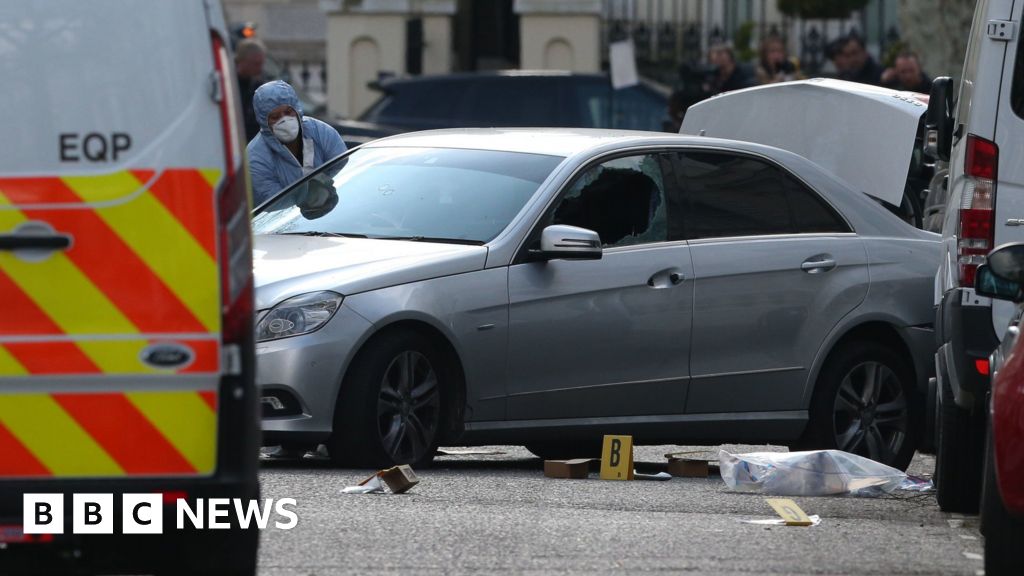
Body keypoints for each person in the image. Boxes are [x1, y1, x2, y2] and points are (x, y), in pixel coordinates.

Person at [247, 80, 347, 206]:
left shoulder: (320, 132)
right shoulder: (255, 157)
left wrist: (319, 188)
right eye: (275, 117)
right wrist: (311, 193)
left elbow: (343, 167)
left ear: (297, 109)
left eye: (288, 112)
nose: (284, 120)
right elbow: (271, 203)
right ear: (263, 121)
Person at [235, 38, 266, 142]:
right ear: (242, 62)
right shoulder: (230, 85)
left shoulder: (259, 87)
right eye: (256, 64)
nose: (260, 69)